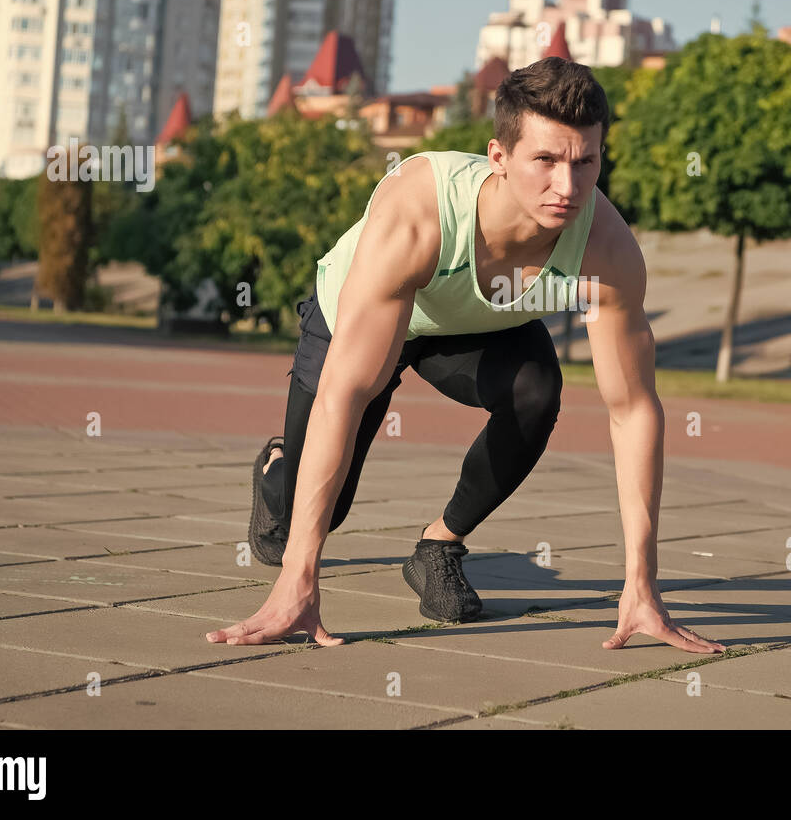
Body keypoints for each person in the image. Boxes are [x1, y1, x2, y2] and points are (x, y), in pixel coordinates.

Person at [205, 57, 724, 655]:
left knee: (536, 392)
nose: (568, 186)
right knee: (316, 511)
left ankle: (439, 546)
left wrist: (642, 585)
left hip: (473, 325)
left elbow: (633, 409)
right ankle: (278, 469)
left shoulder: (606, 246)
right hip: (357, 312)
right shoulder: (420, 208)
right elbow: (345, 393)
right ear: (498, 157)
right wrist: (298, 583)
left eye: (586, 162)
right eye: (546, 160)